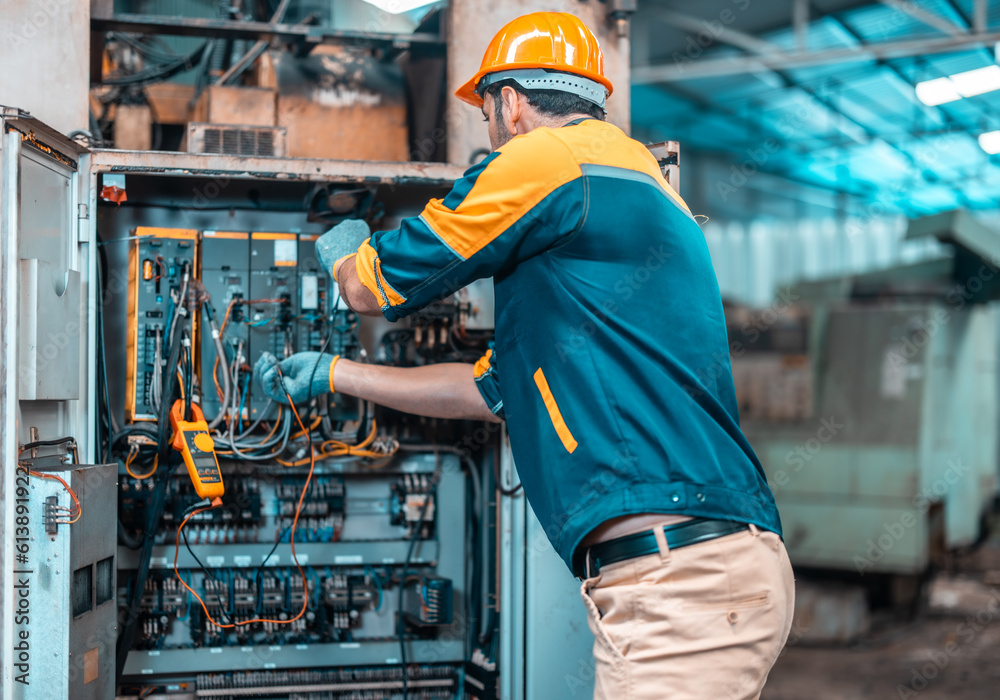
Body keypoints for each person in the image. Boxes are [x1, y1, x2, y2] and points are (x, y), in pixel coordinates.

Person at [256, 12, 794, 700]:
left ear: (509, 104)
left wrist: (345, 258)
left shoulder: (546, 160)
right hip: (715, 569)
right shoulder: (643, 189)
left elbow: (372, 286)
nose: (490, 127)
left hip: (677, 585)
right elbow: (490, 392)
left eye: (486, 111)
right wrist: (337, 373)